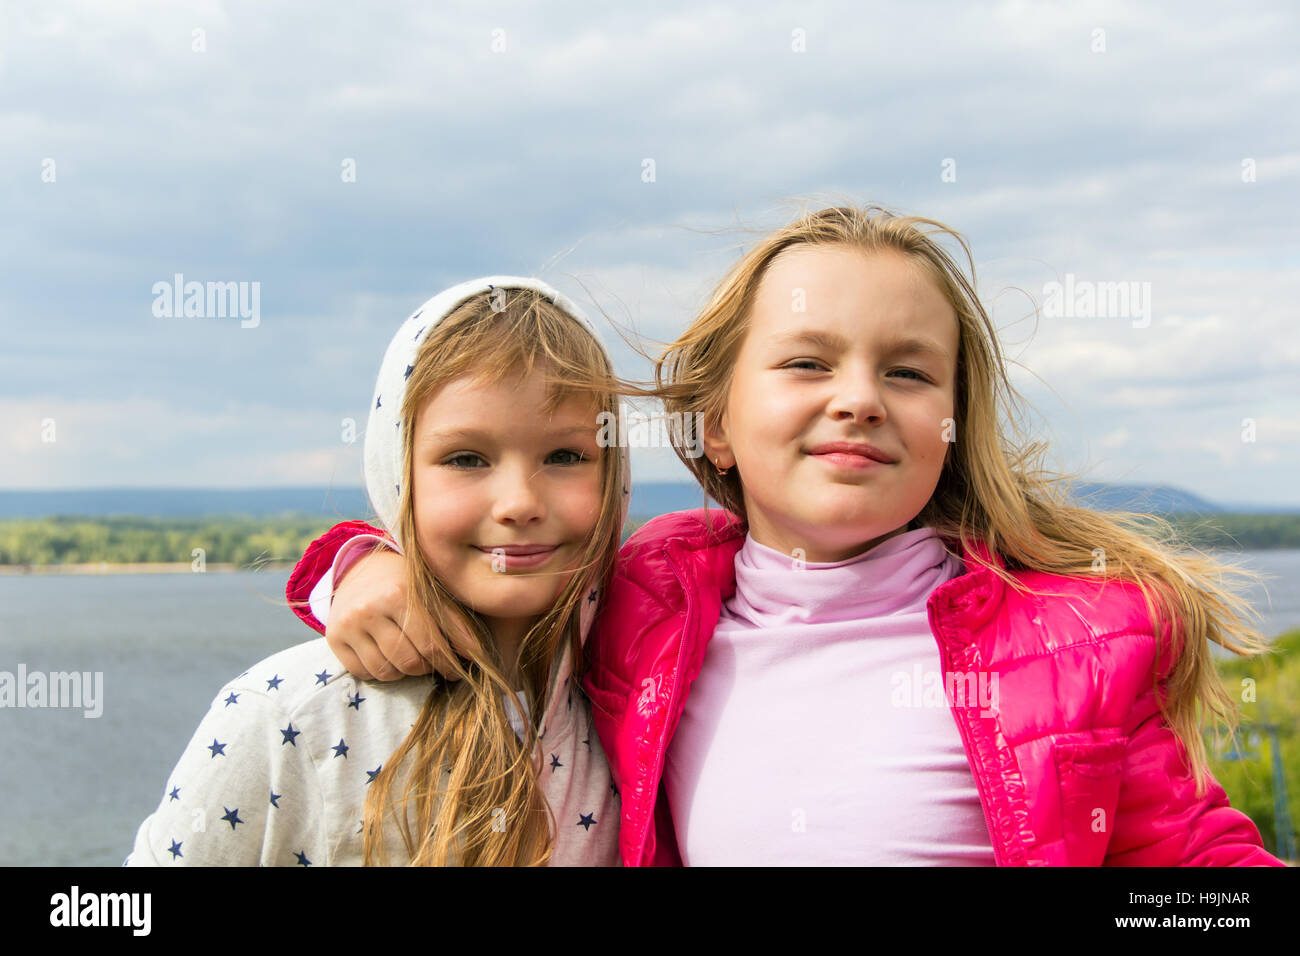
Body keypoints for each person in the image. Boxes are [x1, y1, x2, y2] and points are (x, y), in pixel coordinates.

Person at [284, 206, 1286, 867]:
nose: (857, 398)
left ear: (950, 423)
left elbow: (1195, 866)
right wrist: (360, 569)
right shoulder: (645, 601)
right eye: (807, 361)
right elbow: (495, 568)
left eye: (906, 372)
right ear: (715, 422)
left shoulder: (1073, 641)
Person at [127, 277, 627, 866]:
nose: (519, 501)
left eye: (565, 456)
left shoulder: (649, 695)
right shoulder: (284, 714)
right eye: (466, 458)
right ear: (397, 476)